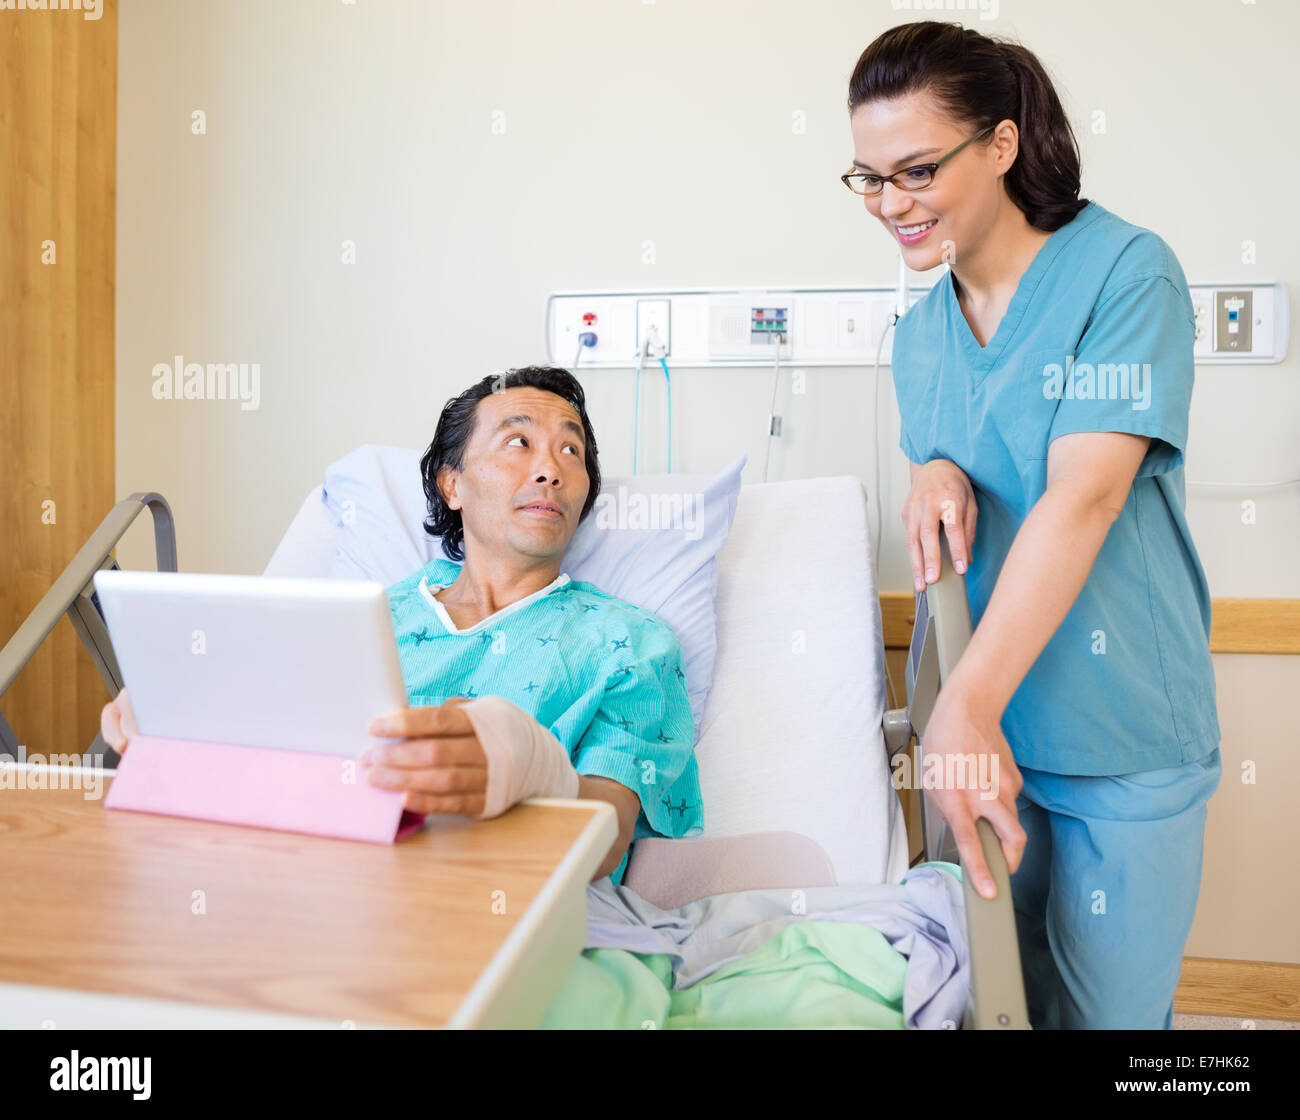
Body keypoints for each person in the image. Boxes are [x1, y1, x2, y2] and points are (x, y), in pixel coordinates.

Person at [843, 20, 1221, 1029]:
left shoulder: (1123, 274)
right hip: (978, 731)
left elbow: (1084, 493)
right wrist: (931, 466)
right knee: (997, 1007)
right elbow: (965, 440)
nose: (890, 204)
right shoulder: (920, 333)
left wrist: (965, 705)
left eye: (916, 169)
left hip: (1116, 730)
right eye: (869, 178)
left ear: (1002, 144)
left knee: (1108, 1025)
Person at [101, 364, 703, 886]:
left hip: (503, 908)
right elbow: (270, 747)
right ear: (453, 483)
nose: (549, 468)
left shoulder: (630, 644)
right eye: (518, 442)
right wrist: (179, 705)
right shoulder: (354, 620)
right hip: (303, 879)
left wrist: (534, 766)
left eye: (571, 452)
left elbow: (610, 832)